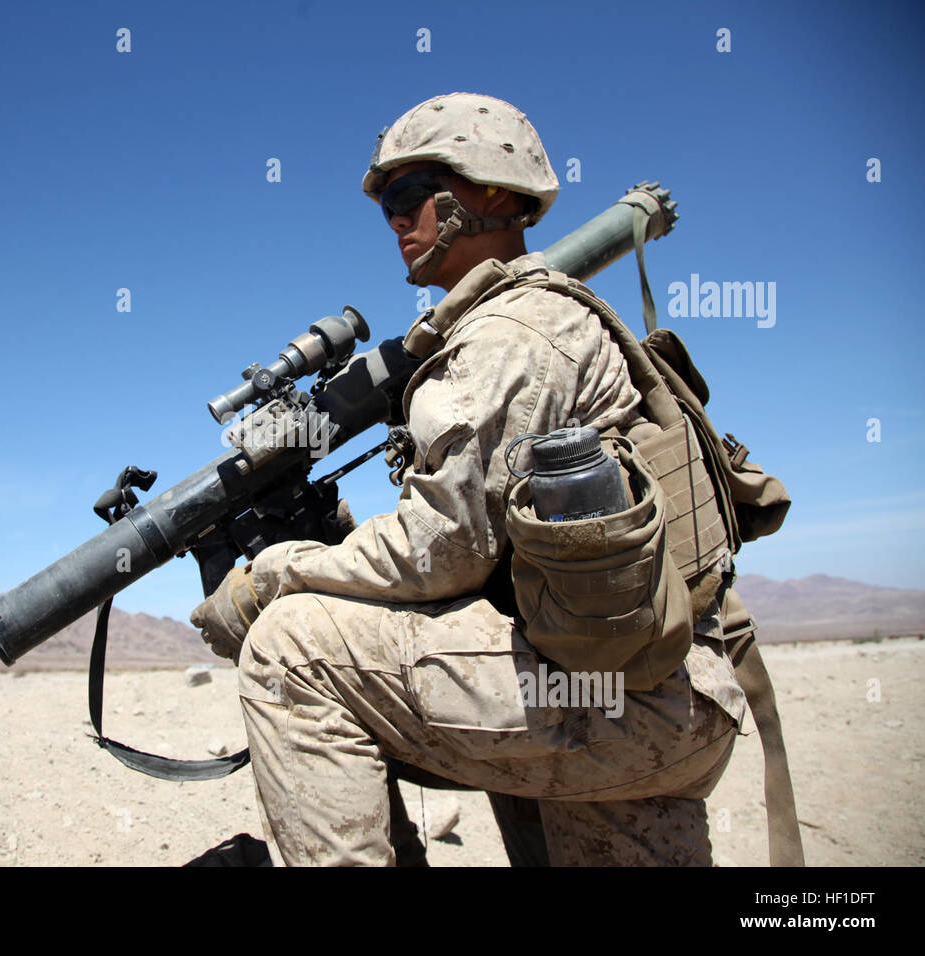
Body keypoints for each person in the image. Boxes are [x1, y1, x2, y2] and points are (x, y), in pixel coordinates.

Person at [191, 93, 746, 866]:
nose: (394, 220)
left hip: (624, 702)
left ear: (489, 192)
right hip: (654, 696)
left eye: (406, 196)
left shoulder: (509, 333)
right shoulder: (542, 318)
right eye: (386, 205)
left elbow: (439, 553)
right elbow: (471, 569)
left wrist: (272, 575)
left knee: (293, 648)